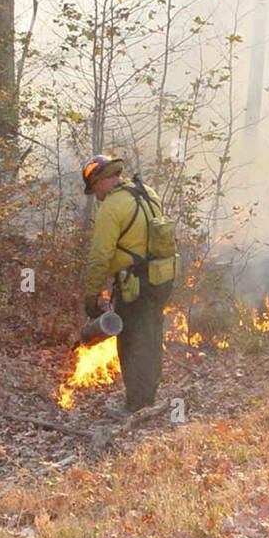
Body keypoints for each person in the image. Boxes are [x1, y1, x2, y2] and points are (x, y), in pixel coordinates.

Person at [81, 154, 171, 413]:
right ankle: (148, 398)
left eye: (94, 187)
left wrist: (91, 295)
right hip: (161, 278)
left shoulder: (111, 207)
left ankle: (136, 406)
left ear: (101, 180)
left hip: (135, 284)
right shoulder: (147, 191)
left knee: (131, 342)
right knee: (151, 337)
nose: (95, 194)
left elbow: (100, 257)